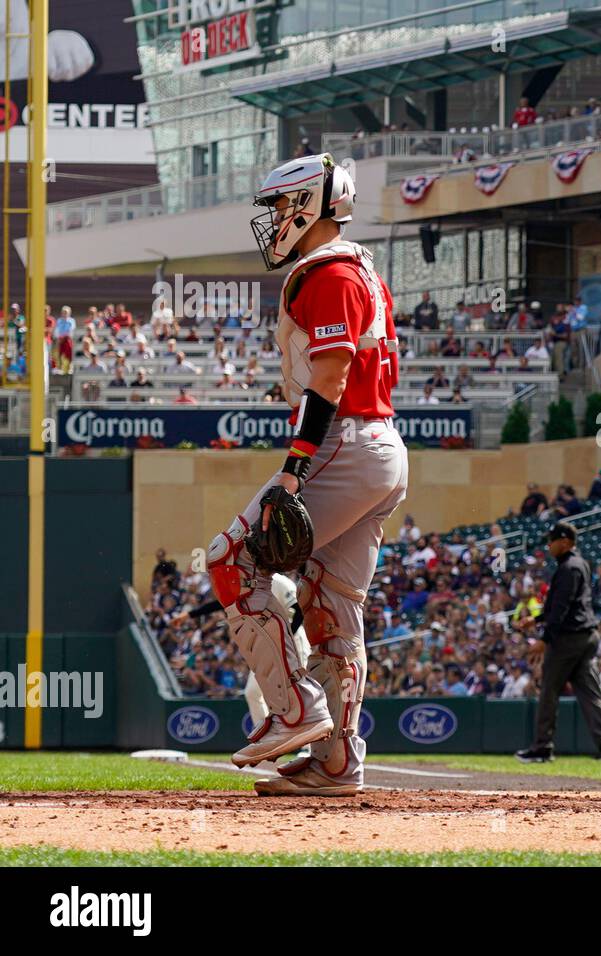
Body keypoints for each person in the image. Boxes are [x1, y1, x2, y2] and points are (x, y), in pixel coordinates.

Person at [204, 153, 408, 797]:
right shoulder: (357, 267)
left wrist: (294, 470)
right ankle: (337, 763)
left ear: (306, 206)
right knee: (331, 608)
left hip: (344, 443)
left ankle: (294, 709)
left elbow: (331, 374)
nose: (271, 221)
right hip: (377, 447)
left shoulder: (327, 272)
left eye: (278, 207)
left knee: (230, 559)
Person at [516, 522, 601, 762]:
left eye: (553, 540)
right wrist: (536, 619)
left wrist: (544, 640)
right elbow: (566, 605)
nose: (549, 545)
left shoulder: (569, 567)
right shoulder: (579, 564)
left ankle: (542, 747)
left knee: (549, 690)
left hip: (568, 639)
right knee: (590, 693)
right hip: (585, 637)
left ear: (565, 541)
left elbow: (561, 608)